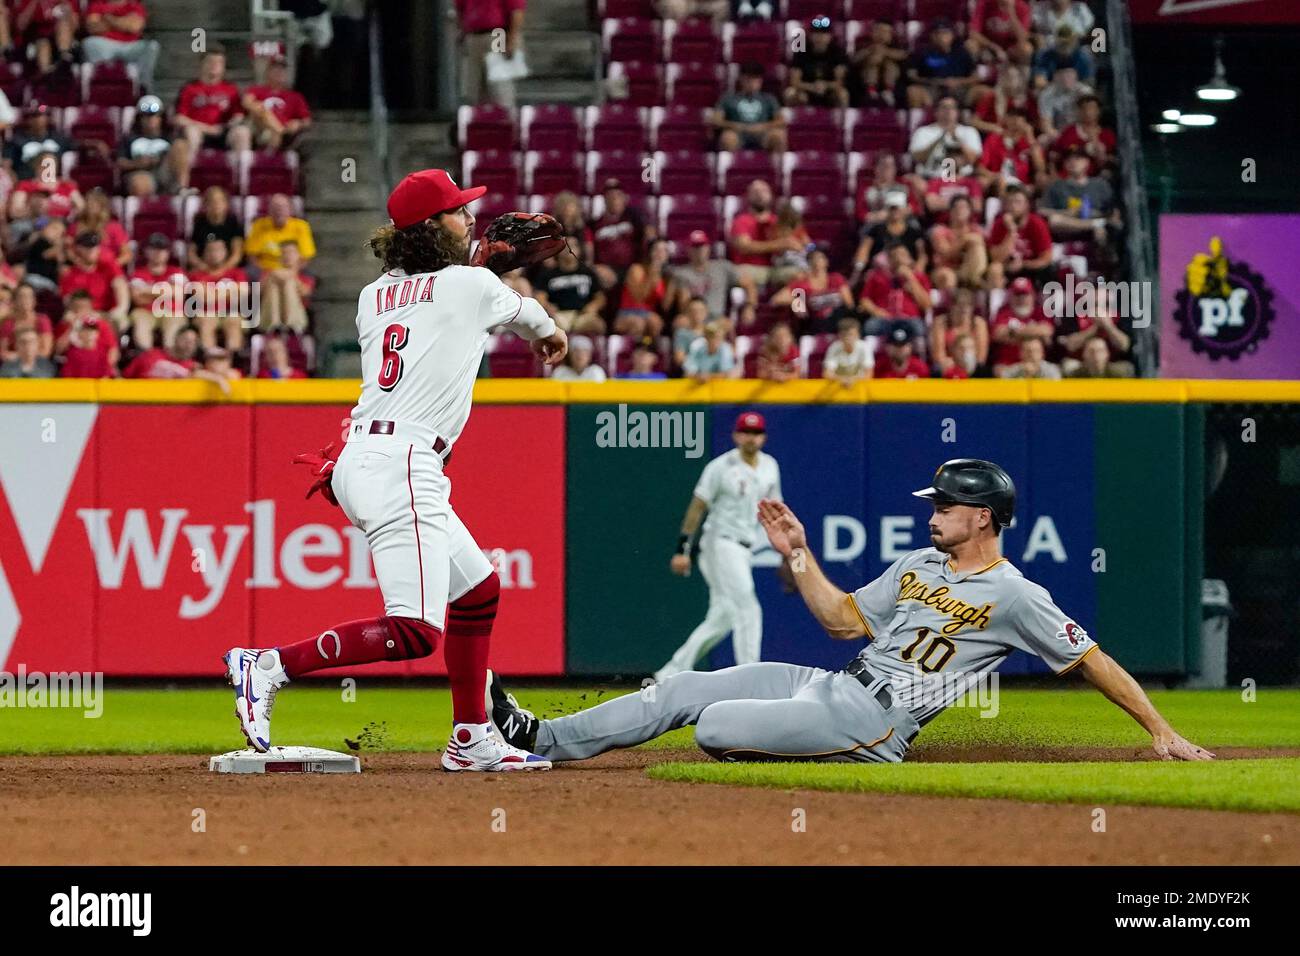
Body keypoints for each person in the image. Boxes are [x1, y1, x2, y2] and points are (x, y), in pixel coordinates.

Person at [486, 460, 1216, 766]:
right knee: (685, 690)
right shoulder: (918, 563)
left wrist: (1161, 731)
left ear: (987, 518)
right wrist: (798, 553)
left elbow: (1091, 657)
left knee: (713, 728)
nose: (934, 515)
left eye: (948, 507)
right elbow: (840, 621)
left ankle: (823, 752)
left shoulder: (1016, 595)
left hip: (878, 722)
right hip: (833, 682)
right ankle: (539, 738)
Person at [222, 168, 568, 771]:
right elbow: (533, 317)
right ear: (433, 228)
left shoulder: (371, 294)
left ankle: (472, 738)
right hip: (404, 459)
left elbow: (436, 309)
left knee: (478, 592)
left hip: (365, 454)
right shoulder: (469, 285)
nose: (470, 219)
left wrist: (475, 267)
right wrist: (549, 333)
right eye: (458, 212)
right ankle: (269, 665)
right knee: (415, 631)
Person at [657, 411, 783, 681]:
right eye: (746, 432)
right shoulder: (720, 466)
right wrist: (682, 549)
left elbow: (775, 509)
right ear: (736, 435)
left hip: (745, 547)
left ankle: (670, 672)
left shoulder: (770, 466)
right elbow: (697, 506)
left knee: (724, 616)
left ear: (764, 437)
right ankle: (750, 678)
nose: (751, 438)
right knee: (748, 608)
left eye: (756, 432)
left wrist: (786, 553)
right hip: (719, 542)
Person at [174, 46, 251, 158]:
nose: (214, 65)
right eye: (210, 62)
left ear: (224, 67)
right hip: (199, 131)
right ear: (202, 65)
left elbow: (238, 115)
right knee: (191, 132)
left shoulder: (231, 89)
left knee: (242, 132)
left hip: (223, 133)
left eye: (219, 62)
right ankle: (189, 173)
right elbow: (179, 118)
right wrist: (207, 128)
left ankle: (243, 174)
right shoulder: (189, 88)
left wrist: (226, 127)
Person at [454, 0, 524, 109]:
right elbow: (460, 8)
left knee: (500, 84)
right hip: (473, 34)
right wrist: (462, 31)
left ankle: (505, 118)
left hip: (497, 34)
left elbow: (516, 11)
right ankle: (480, 119)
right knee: (474, 86)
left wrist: (511, 40)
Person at [729, 179, 796, 290]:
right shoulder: (741, 220)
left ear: (770, 195)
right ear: (748, 196)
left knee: (800, 274)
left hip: (775, 269)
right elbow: (744, 247)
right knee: (739, 274)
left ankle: (792, 305)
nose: (760, 195)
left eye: (764, 191)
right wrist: (779, 244)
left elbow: (792, 245)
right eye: (755, 192)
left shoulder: (777, 221)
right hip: (749, 268)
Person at [668, 230, 751, 318]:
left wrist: (749, 306)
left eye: (702, 246)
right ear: (689, 250)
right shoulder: (681, 273)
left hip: (717, 319)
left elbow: (748, 284)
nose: (699, 250)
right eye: (695, 247)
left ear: (708, 248)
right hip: (693, 319)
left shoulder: (723, 267)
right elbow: (683, 303)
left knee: (725, 325)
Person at [117, 94, 188, 194]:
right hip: (141, 172)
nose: (150, 120)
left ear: (161, 118)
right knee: (139, 183)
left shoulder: (169, 137)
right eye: (146, 116)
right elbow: (120, 162)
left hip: (164, 172)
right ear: (139, 118)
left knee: (180, 145)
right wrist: (137, 163)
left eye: (155, 115)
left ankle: (182, 189)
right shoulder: (129, 139)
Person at [59, 232, 129, 333]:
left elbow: (120, 286)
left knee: (119, 320)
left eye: (94, 247)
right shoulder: (70, 275)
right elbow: (68, 302)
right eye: (87, 247)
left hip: (108, 313)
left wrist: (120, 309)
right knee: (69, 320)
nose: (91, 250)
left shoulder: (108, 267)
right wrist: (86, 314)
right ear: (79, 249)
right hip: (83, 313)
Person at [82, 1, 161, 90]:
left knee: (152, 46)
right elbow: (93, 28)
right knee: (90, 43)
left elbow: (135, 26)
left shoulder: (134, 5)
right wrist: (124, 22)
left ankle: (142, 88)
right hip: (105, 44)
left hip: (131, 46)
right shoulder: (98, 4)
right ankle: (101, 87)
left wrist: (109, 19)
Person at [770, 248, 852, 334]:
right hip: (815, 322)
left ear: (826, 261)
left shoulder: (836, 278)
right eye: (813, 259)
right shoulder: (802, 283)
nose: (817, 261)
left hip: (838, 319)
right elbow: (776, 299)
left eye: (820, 258)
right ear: (808, 263)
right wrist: (798, 301)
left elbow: (849, 304)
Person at [986, 185, 1054, 288]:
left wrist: (1023, 264)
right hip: (1008, 268)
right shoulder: (999, 223)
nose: (1013, 206)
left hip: (1030, 267)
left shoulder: (1037, 223)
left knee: (1048, 270)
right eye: (1009, 202)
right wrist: (1012, 231)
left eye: (1017, 202)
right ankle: (996, 302)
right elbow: (996, 258)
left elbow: (1046, 258)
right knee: (995, 269)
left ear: (1027, 205)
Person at [128, 232, 186, 350]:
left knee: (173, 327)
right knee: (140, 323)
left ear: (168, 253)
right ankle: (146, 357)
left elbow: (179, 294)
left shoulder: (176, 271)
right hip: (145, 311)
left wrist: (146, 290)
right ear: (146, 251)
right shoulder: (138, 273)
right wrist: (166, 291)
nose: (158, 253)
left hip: (172, 311)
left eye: (162, 249)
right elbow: (138, 299)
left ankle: (170, 357)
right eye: (154, 249)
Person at [241, 55, 312, 151]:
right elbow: (246, 102)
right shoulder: (257, 90)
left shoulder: (295, 96)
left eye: (282, 69)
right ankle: (279, 132)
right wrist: (264, 112)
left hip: (285, 132)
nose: (279, 72)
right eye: (275, 69)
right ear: (268, 72)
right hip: (260, 130)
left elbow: (307, 121)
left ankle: (278, 134)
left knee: (274, 133)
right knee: (260, 108)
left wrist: (298, 123)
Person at [713, 62, 786, 154]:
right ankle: (730, 166)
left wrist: (762, 126)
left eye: (756, 79)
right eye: (749, 79)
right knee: (727, 138)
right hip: (737, 134)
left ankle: (776, 167)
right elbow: (716, 120)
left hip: (762, 133)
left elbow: (780, 121)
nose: (753, 83)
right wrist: (735, 126)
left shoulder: (769, 98)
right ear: (741, 79)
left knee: (778, 136)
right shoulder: (728, 98)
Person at [531, 244, 606, 335]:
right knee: (550, 325)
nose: (568, 249)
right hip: (558, 315)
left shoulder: (588, 272)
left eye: (573, 245)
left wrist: (592, 307)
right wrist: (548, 306)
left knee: (598, 324)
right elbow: (540, 296)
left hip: (582, 315)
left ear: (579, 250)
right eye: (565, 247)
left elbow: (600, 298)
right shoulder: (548, 274)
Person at [903, 18, 977, 109]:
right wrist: (936, 81)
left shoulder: (962, 52)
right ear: (932, 36)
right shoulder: (921, 53)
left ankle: (974, 118)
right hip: (932, 87)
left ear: (952, 35)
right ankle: (918, 120)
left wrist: (958, 81)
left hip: (958, 88)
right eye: (937, 33)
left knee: (984, 92)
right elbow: (912, 76)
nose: (941, 37)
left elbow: (975, 77)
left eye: (945, 33)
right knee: (912, 91)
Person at [590, 178, 649, 291]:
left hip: (631, 267)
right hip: (606, 268)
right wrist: (596, 267)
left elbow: (647, 239)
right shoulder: (594, 224)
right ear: (604, 199)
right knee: (600, 277)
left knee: (637, 275)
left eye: (618, 196)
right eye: (610, 196)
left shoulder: (635, 220)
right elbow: (588, 251)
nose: (614, 200)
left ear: (624, 199)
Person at [990, 276, 1053, 372]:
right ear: (1011, 296)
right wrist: (1033, 332)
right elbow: (998, 333)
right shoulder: (1003, 312)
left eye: (1025, 294)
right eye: (1017, 295)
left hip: (1037, 365)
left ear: (1033, 295)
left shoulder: (1040, 312)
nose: (1021, 299)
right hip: (1008, 365)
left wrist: (1013, 333)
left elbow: (1047, 331)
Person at [928, 195, 988, 295]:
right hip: (945, 268)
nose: (959, 210)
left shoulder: (975, 229)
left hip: (968, 270)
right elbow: (946, 253)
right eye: (956, 207)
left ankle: (973, 281)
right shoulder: (940, 231)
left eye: (963, 207)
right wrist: (964, 240)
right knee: (947, 277)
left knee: (978, 247)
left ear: (970, 212)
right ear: (950, 211)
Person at [784, 16, 849, 108]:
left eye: (824, 34)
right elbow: (794, 81)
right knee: (790, 93)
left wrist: (825, 85)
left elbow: (840, 82)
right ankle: (793, 121)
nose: (820, 37)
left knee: (843, 94)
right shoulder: (801, 52)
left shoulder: (838, 52)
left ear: (830, 36)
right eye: (816, 33)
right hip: (806, 90)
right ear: (810, 35)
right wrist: (812, 87)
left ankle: (842, 121)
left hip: (829, 91)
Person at [614, 237, 670, 339]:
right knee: (639, 323)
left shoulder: (665, 277)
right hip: (627, 312)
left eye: (664, 251)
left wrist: (672, 284)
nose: (660, 254)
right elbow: (639, 297)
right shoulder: (637, 269)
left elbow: (665, 306)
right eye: (657, 250)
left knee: (656, 322)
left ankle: (651, 351)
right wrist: (651, 275)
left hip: (649, 314)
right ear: (650, 252)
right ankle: (634, 352)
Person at [245, 193, 317, 272]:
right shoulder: (259, 225)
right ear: (269, 210)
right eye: (275, 207)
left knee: (309, 277)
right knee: (251, 275)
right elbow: (251, 256)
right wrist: (264, 273)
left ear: (290, 209)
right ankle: (257, 284)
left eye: (283, 207)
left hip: (293, 271)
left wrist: (290, 273)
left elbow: (306, 258)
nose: (279, 210)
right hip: (264, 271)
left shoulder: (301, 226)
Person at [260, 239, 316, 335]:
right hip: (268, 317)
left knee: (288, 283)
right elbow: (258, 293)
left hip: (298, 318)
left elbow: (306, 293)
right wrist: (272, 276)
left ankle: (291, 327)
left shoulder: (305, 276)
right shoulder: (269, 273)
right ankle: (274, 326)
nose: (287, 256)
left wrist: (291, 277)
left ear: (300, 256)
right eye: (284, 253)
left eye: (291, 252)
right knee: (274, 284)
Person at [930, 289, 989, 375]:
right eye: (959, 305)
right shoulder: (941, 322)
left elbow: (981, 356)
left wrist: (968, 363)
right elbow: (938, 354)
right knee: (938, 368)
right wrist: (952, 364)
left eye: (967, 306)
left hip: (972, 362)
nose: (963, 309)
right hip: (949, 363)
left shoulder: (978, 323)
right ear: (951, 307)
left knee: (981, 368)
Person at [849, 18, 906, 107]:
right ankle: (871, 92)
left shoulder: (897, 45)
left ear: (891, 35)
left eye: (885, 32)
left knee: (889, 64)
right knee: (872, 63)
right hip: (863, 84)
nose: (881, 34)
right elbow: (853, 59)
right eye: (878, 30)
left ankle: (888, 91)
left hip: (894, 85)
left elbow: (903, 55)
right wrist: (870, 51)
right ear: (872, 32)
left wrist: (884, 52)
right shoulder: (863, 44)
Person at [187, 186, 244, 272]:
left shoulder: (234, 223)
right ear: (205, 205)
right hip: (204, 268)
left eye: (220, 201)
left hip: (228, 268)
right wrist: (203, 267)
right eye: (211, 201)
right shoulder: (200, 223)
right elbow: (191, 253)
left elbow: (237, 255)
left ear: (226, 204)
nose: (216, 204)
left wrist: (221, 270)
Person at [123, 324, 202, 378]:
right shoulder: (151, 355)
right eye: (185, 339)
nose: (188, 345)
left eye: (193, 342)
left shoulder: (193, 369)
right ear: (176, 338)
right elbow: (126, 376)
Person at [822, 316, 871, 386]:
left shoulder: (864, 347)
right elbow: (827, 373)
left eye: (851, 334)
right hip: (839, 388)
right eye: (844, 335)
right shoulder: (834, 348)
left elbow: (868, 374)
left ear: (858, 335)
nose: (848, 338)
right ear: (839, 336)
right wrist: (842, 379)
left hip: (860, 389)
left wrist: (852, 380)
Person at [1064, 335, 1134, 379]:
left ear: (1107, 354)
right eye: (1091, 351)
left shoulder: (1120, 375)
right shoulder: (1074, 377)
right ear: (1084, 355)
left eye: (1100, 351)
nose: (1096, 356)